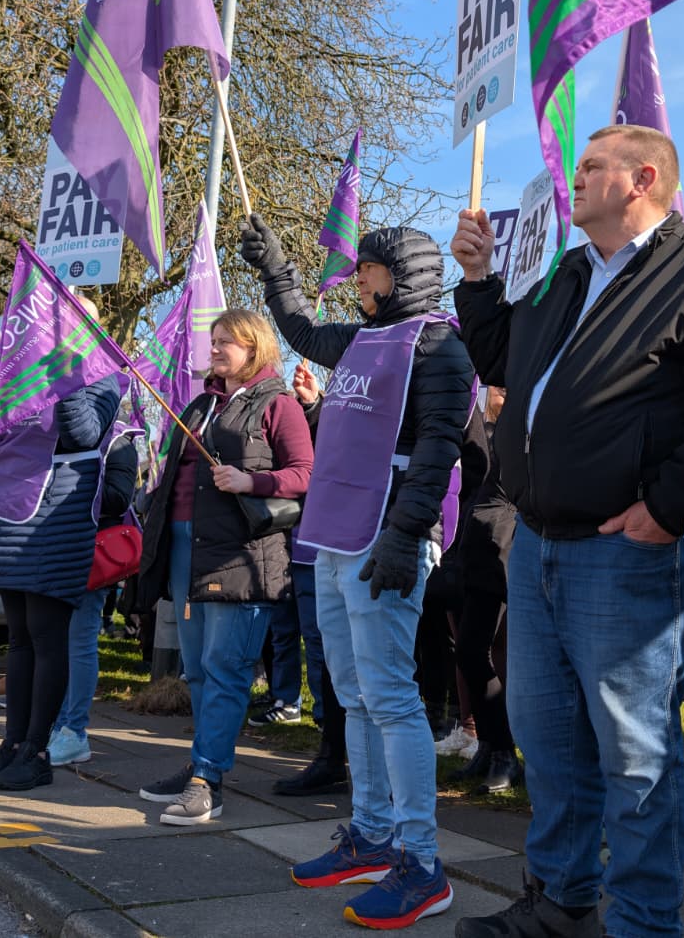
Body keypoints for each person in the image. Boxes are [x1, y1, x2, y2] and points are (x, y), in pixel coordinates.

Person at [450, 123, 684, 938]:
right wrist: (477, 279)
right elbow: (499, 357)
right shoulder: (562, 273)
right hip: (537, 539)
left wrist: (668, 509)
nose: (574, 180)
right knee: (550, 737)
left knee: (635, 752)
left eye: (592, 167)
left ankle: (643, 922)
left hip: (627, 549)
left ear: (642, 179)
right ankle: (562, 903)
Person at [240, 218, 474, 929]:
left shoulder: (441, 348)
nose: (359, 281)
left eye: (369, 270)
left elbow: (439, 446)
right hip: (337, 533)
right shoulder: (365, 339)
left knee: (392, 696)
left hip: (387, 534)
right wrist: (276, 270)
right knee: (352, 690)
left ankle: (422, 863)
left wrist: (407, 535)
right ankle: (372, 836)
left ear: (402, 277)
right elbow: (306, 334)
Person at [133, 308, 314, 823]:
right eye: (213, 341)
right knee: (196, 671)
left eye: (225, 342)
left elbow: (305, 473)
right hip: (186, 548)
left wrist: (251, 481)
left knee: (225, 668)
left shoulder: (278, 404)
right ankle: (198, 764)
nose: (214, 349)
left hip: (241, 555)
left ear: (253, 347)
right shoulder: (201, 404)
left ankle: (208, 780)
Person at [0, 300, 123, 792]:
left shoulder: (103, 375)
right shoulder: (22, 374)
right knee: (18, 637)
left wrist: (64, 372)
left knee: (47, 634)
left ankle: (38, 749)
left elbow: (83, 431)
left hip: (57, 517)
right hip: (11, 513)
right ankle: (12, 742)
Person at [273, 361, 350, 798]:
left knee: (350, 656)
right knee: (325, 644)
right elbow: (319, 451)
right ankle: (331, 751)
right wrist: (314, 404)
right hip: (318, 542)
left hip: (364, 536)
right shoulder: (337, 388)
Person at [46, 426, 140, 768]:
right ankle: (53, 724)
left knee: (79, 640)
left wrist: (67, 484)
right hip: (52, 547)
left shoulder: (118, 441)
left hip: (90, 553)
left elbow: (119, 497)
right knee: (51, 643)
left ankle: (74, 730)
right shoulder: (53, 433)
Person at [446, 386, 521, 795]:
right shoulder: (481, 429)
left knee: (496, 653)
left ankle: (506, 754)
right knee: (470, 652)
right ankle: (492, 745)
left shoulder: (523, 423)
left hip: (505, 549)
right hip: (474, 550)